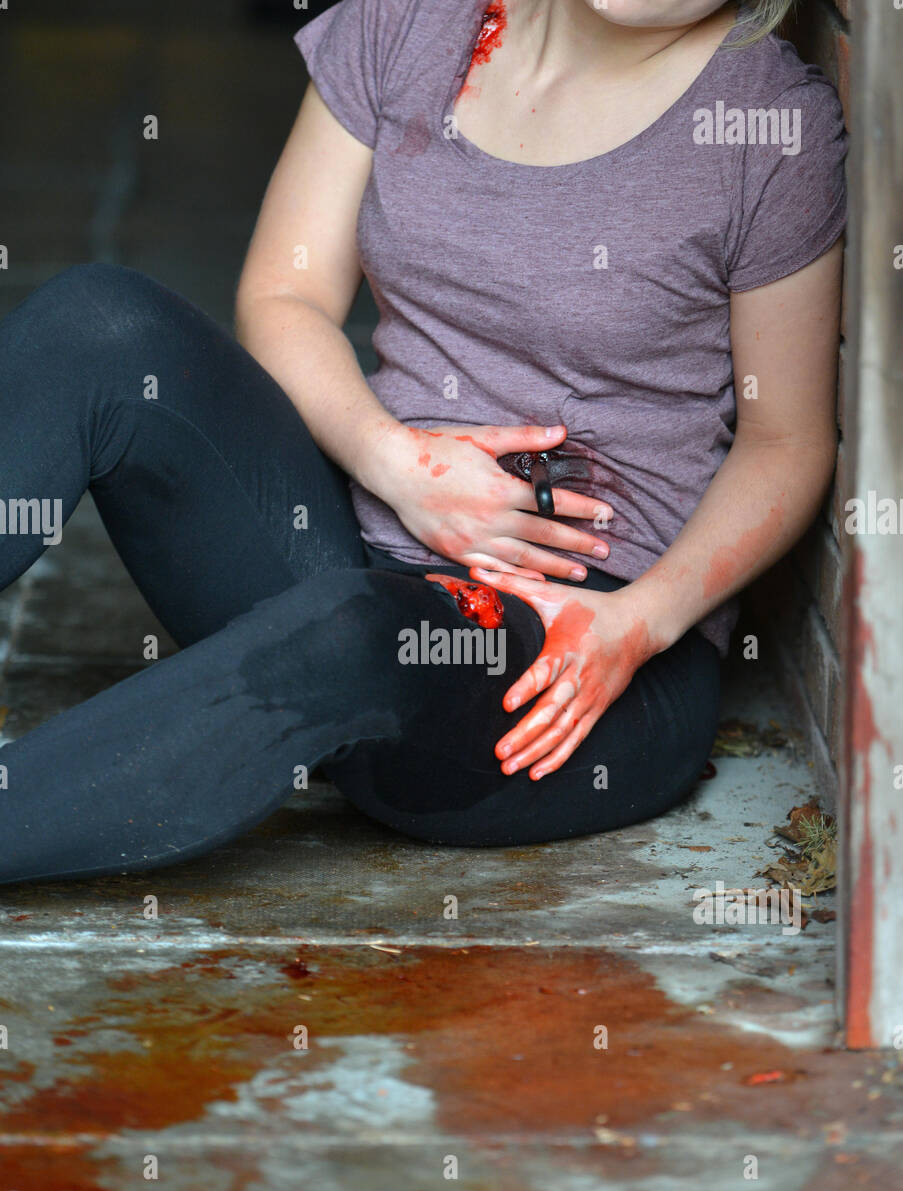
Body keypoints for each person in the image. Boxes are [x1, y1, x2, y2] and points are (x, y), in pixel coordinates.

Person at [0, 0, 846, 883]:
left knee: (356, 631)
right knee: (98, 323)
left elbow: (785, 442)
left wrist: (641, 622)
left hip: (573, 651)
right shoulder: (407, 21)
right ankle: (302, 681)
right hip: (362, 537)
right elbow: (286, 296)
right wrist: (393, 463)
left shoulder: (765, 125)